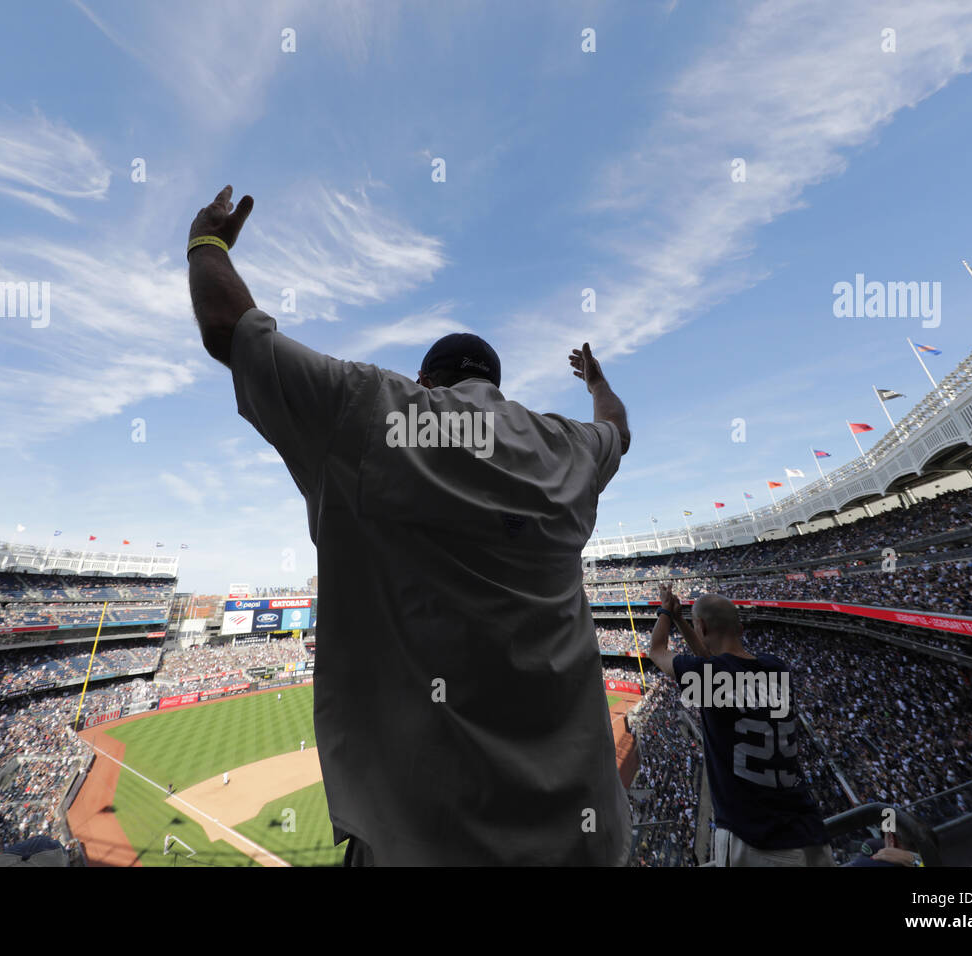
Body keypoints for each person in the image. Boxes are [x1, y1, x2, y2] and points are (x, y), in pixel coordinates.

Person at [187, 185, 632, 866]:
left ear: (427, 381)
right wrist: (596, 379)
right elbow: (617, 430)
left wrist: (206, 242)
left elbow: (233, 330)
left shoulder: (372, 412)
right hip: (584, 840)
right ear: (499, 386)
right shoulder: (566, 448)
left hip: (420, 843)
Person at [647, 583, 833, 866]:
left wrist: (665, 611)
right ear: (741, 629)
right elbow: (714, 662)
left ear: (704, 628)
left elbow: (656, 651)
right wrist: (685, 622)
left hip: (756, 841)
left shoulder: (710, 677)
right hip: (808, 831)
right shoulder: (777, 667)